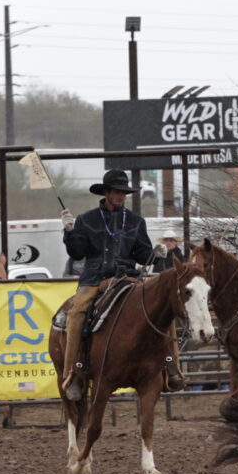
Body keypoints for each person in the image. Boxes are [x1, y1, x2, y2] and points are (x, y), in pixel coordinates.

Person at [58, 170, 157, 402]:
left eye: (124, 192)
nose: (121, 196)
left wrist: (156, 253)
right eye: (117, 192)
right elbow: (77, 253)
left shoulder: (135, 221)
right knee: (76, 312)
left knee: (160, 304)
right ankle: (71, 373)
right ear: (106, 192)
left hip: (127, 279)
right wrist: (70, 232)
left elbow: (143, 254)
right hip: (93, 279)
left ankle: (171, 367)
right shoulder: (86, 219)